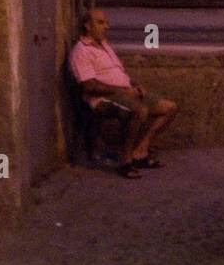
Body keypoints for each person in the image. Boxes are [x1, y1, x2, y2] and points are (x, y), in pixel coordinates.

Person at [69, 9, 177, 178]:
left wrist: (134, 85)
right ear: (87, 26)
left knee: (169, 107)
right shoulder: (81, 51)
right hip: (103, 99)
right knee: (139, 110)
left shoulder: (104, 46)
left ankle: (140, 151)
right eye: (101, 23)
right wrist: (124, 91)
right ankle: (125, 161)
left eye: (106, 23)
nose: (107, 27)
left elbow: (118, 74)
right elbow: (89, 86)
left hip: (126, 92)